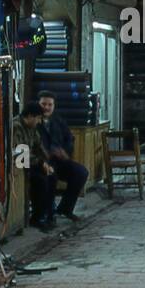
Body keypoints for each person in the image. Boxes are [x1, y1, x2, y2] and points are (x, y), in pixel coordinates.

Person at [37, 90, 89, 222]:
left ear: (54, 106)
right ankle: (47, 214)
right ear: (38, 104)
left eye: (50, 105)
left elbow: (69, 138)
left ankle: (65, 209)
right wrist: (47, 154)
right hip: (42, 163)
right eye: (44, 104)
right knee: (51, 176)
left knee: (81, 172)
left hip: (60, 161)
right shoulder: (35, 121)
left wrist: (65, 152)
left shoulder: (58, 120)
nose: (47, 107)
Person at [12, 101, 56, 230]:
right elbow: (20, 154)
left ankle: (48, 213)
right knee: (40, 181)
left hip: (32, 161)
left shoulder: (32, 128)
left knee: (52, 176)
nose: (39, 122)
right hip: (20, 165)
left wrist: (47, 162)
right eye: (37, 118)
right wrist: (41, 163)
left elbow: (39, 145)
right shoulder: (16, 126)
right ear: (30, 116)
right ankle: (37, 217)